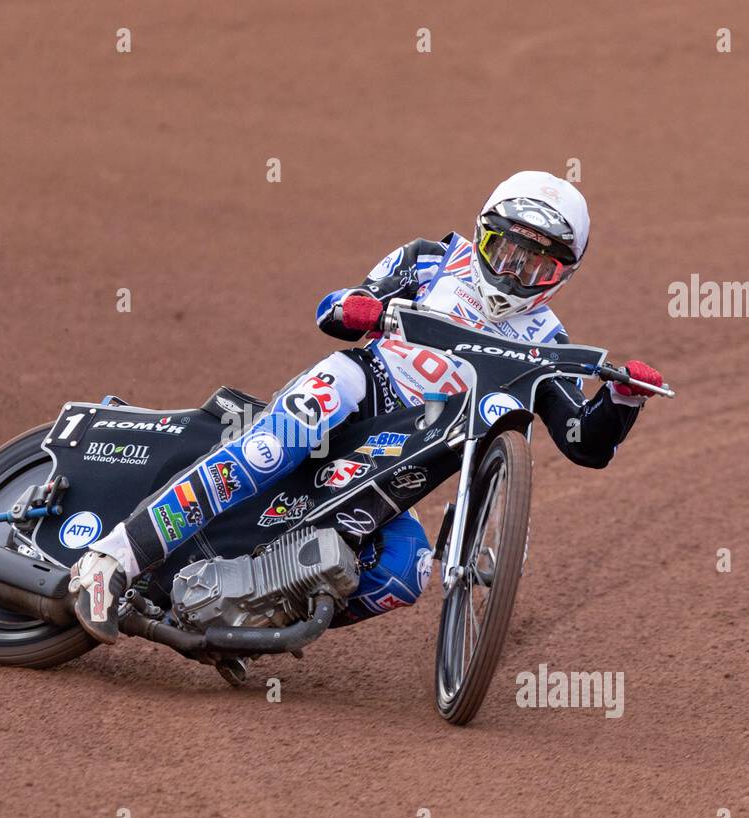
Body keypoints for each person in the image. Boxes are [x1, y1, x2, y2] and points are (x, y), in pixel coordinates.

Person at [68, 170, 664, 644]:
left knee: (406, 570)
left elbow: (587, 445)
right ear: (481, 234)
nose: (514, 271)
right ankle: (110, 560)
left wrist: (622, 396)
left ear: (564, 274)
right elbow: (338, 308)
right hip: (357, 393)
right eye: (504, 249)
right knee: (278, 441)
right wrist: (357, 307)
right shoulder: (431, 260)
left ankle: (248, 618)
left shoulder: (552, 345)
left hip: (409, 464)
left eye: (537, 263)